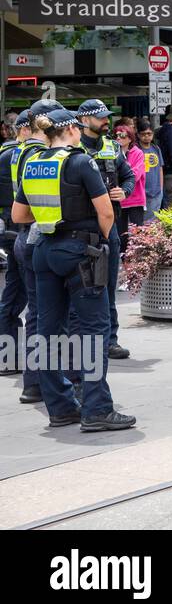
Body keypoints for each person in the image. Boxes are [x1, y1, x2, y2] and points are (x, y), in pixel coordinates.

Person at [12, 109, 135, 431]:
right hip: (81, 250)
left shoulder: (34, 162)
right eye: (77, 127)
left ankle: (60, 407)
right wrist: (102, 242)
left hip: (43, 250)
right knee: (94, 330)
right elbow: (106, 212)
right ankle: (97, 409)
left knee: (46, 331)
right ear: (69, 129)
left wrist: (52, 217)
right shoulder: (80, 161)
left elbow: (19, 215)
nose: (81, 132)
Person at [76, 100, 136, 361]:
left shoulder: (112, 146)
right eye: (100, 117)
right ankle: (83, 340)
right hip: (82, 226)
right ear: (83, 120)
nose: (106, 122)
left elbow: (129, 176)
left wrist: (125, 191)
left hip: (110, 224)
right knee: (82, 285)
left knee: (109, 284)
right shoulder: (73, 147)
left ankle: (110, 340)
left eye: (106, 117)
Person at [0, 110, 39, 398]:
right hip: (21, 231)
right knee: (21, 299)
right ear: (24, 129)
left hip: (14, 230)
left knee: (14, 297)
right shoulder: (22, 155)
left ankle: (7, 357)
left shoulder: (9, 154)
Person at [113, 122, 147, 264]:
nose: (119, 138)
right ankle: (125, 265)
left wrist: (121, 178)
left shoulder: (138, 153)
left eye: (122, 135)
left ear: (130, 138)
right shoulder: (112, 154)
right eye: (116, 135)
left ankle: (135, 266)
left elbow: (136, 174)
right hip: (118, 200)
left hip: (135, 199)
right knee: (121, 236)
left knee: (136, 234)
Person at [136, 121, 164, 223]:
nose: (146, 137)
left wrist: (161, 188)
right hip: (141, 192)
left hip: (156, 191)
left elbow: (160, 168)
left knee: (152, 222)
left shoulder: (156, 148)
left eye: (149, 134)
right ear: (138, 135)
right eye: (143, 134)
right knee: (140, 222)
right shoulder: (135, 149)